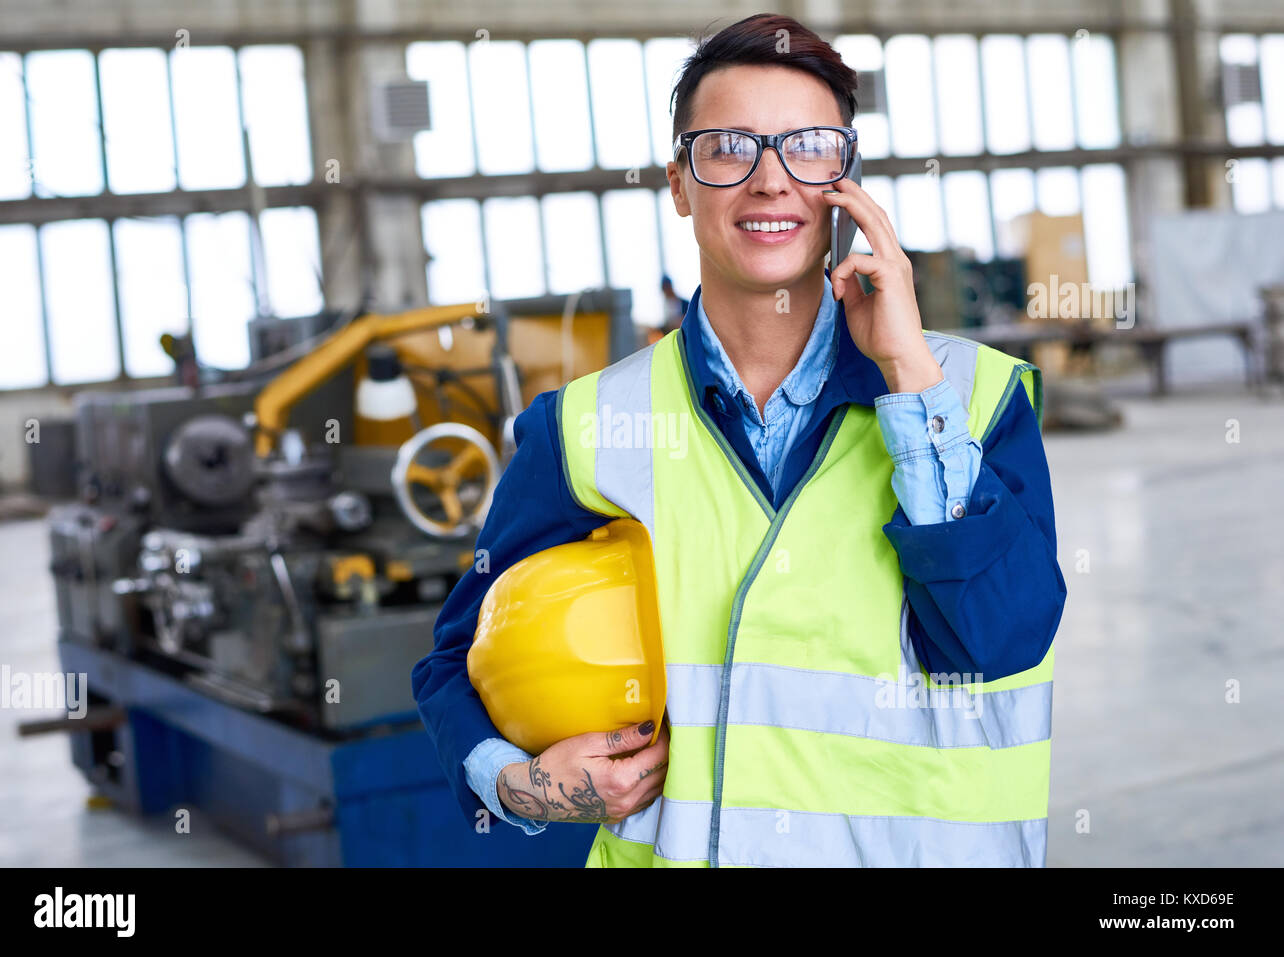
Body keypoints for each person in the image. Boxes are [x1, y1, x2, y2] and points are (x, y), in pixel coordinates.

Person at [413, 12, 1066, 867]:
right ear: (680, 184)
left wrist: (910, 377)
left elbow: (996, 641)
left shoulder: (974, 398)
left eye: (808, 148)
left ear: (844, 176)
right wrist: (519, 783)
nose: (770, 181)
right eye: (727, 149)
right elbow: (457, 658)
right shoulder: (583, 430)